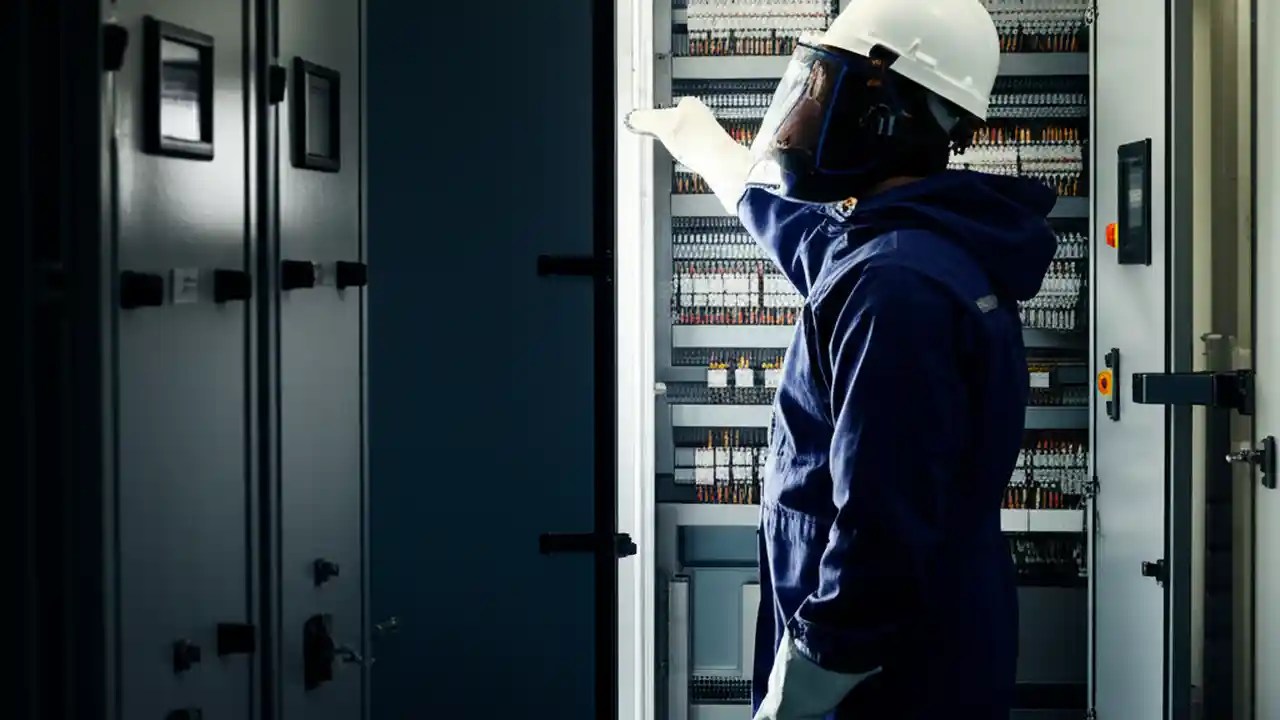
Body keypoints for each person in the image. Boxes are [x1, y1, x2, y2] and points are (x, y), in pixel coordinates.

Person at [626, 0, 1059, 718]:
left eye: (824, 87)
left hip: (883, 673)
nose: (804, 108)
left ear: (885, 110)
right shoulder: (909, 246)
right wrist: (707, 150)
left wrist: (811, 678)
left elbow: (881, 528)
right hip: (918, 638)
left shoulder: (896, 287)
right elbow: (799, 233)